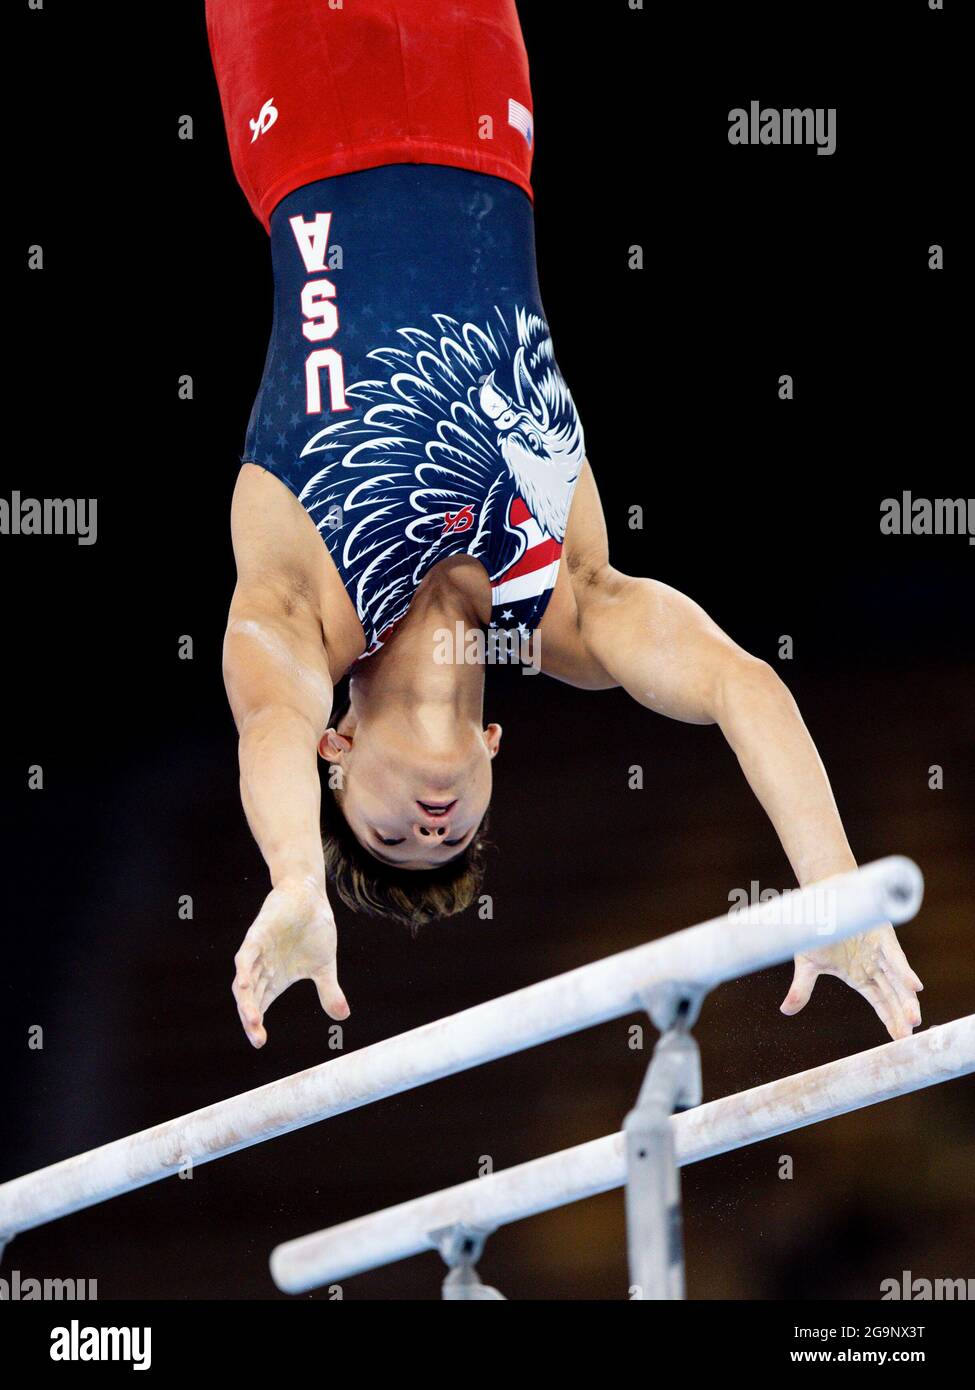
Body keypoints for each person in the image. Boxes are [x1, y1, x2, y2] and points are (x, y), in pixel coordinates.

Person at [207, 0, 923, 1048]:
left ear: (338, 749)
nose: (432, 827)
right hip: (479, 111)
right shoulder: (567, 602)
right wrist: (834, 886)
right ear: (494, 750)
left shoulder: (301, 612)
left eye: (390, 830)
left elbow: (262, 726)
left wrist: (295, 878)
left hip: (308, 105)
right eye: (452, 839)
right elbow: (736, 681)